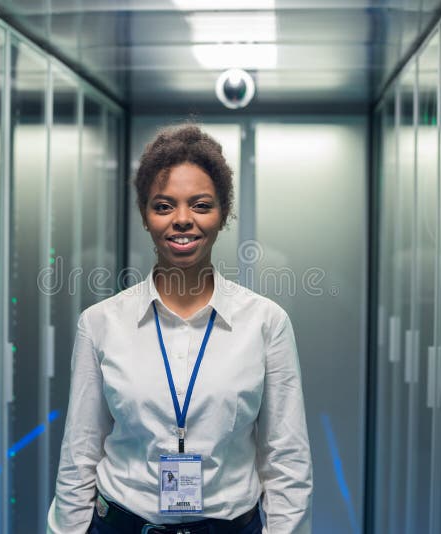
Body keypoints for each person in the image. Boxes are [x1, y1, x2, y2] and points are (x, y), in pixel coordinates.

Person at [48, 124, 312, 533]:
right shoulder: (100, 324)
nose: (183, 220)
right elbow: (79, 455)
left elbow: (286, 461)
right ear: (145, 215)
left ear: (223, 213)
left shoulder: (266, 323)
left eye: (201, 205)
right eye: (164, 205)